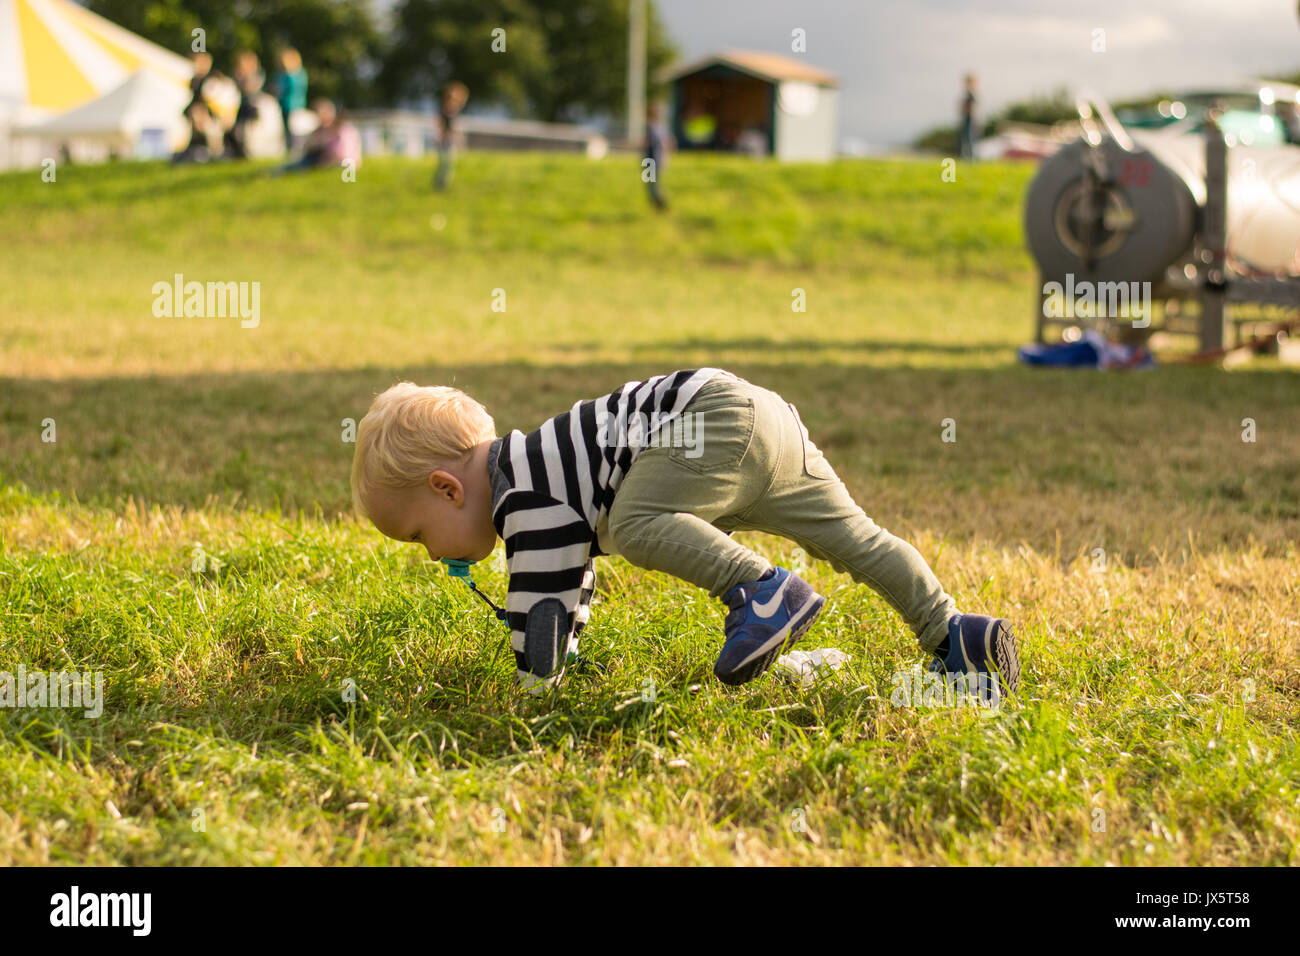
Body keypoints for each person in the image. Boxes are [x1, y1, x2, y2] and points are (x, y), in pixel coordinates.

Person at [349, 368, 1021, 697]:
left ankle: (763, 592)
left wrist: (537, 686)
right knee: (855, 539)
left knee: (636, 524)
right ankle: (959, 638)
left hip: (712, 420)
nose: (432, 554)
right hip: (765, 419)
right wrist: (569, 653)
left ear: (447, 488)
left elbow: (544, 598)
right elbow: (569, 581)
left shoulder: (524, 489)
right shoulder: (548, 477)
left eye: (417, 536)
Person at [276, 98, 360, 173]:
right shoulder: (321, 130)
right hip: (323, 160)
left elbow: (343, 154)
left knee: (301, 165)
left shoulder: (343, 130)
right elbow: (307, 147)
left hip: (337, 162)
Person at [224, 50, 264, 160]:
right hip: (243, 107)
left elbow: (252, 92)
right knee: (234, 130)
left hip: (251, 108)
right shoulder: (241, 79)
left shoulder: (255, 78)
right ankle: (236, 152)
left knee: (243, 130)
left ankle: (244, 151)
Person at [434, 81, 469, 190]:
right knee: (446, 165)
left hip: (448, 141)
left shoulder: (452, 111)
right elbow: (442, 126)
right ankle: (440, 186)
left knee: (448, 165)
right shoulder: (447, 111)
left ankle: (442, 186)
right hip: (446, 141)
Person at [271, 47, 308, 152]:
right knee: (286, 129)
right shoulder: (282, 75)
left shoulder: (297, 75)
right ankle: (289, 148)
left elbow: (290, 90)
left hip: (295, 106)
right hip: (283, 106)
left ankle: (295, 148)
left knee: (294, 130)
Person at [644, 102, 672, 211]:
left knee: (651, 187)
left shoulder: (650, 128)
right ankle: (657, 206)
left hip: (649, 161)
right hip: (658, 160)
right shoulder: (661, 127)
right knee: (654, 185)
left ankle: (659, 206)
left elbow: (647, 143)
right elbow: (670, 142)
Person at [959, 73, 977, 160]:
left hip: (970, 119)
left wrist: (965, 110)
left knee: (969, 139)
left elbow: (972, 107)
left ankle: (971, 158)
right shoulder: (968, 94)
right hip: (967, 118)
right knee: (965, 139)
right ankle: (966, 157)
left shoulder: (971, 94)